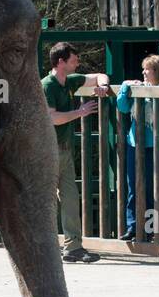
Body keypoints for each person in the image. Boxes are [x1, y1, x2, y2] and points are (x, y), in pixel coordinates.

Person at [42, 42, 109, 263]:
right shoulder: (47, 86)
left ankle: (73, 247)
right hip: (46, 151)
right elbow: (52, 118)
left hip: (65, 151)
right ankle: (44, 247)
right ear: (60, 62)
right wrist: (80, 112)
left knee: (71, 198)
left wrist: (104, 86)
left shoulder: (69, 81)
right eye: (73, 60)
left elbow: (99, 75)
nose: (77, 63)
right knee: (46, 201)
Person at [116, 54, 159, 242]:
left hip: (154, 146)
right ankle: (133, 227)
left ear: (157, 71)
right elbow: (123, 107)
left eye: (147, 69)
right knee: (133, 187)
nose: (143, 73)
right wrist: (126, 86)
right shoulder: (138, 89)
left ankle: (151, 228)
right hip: (135, 144)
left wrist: (149, 95)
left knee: (152, 189)